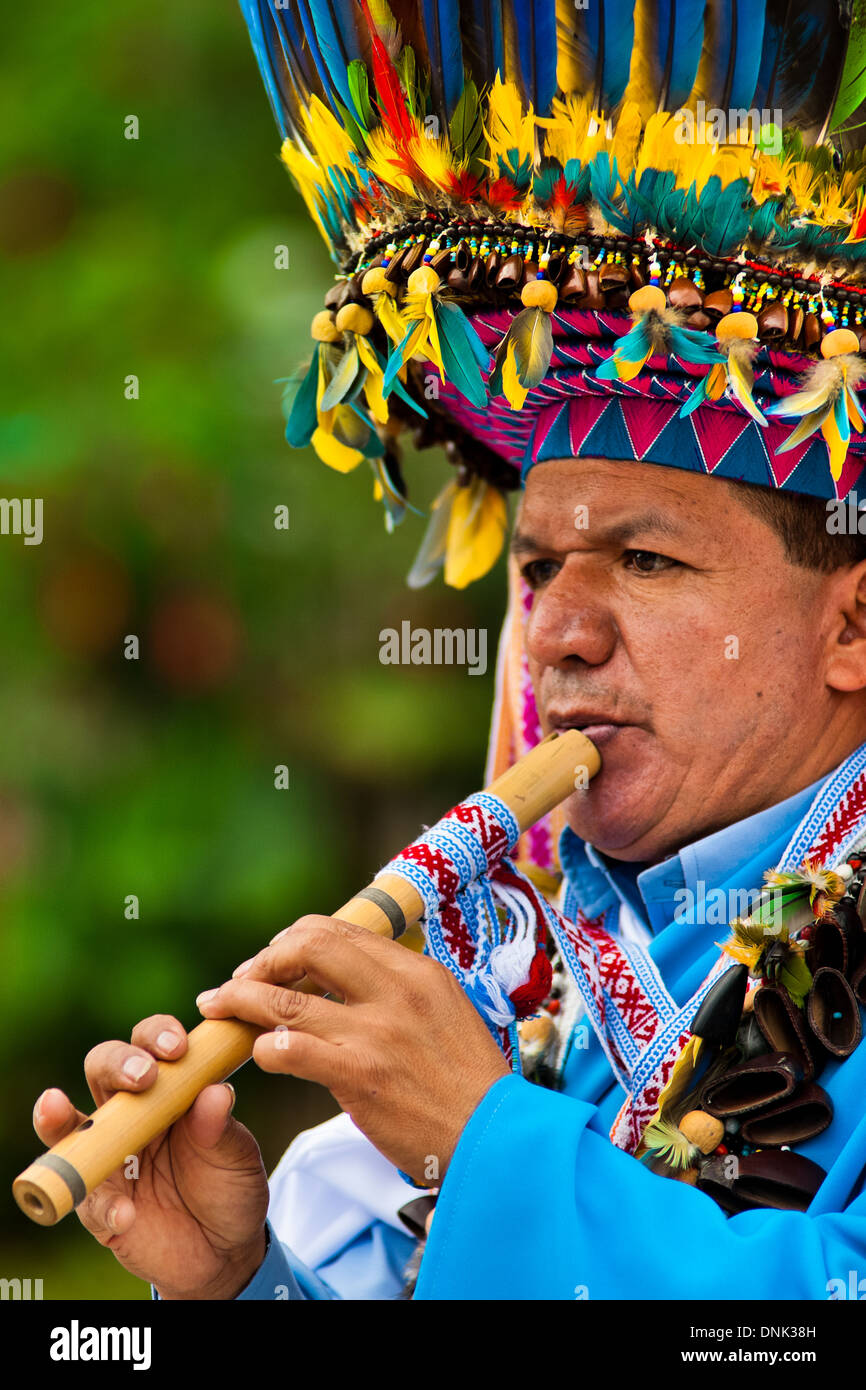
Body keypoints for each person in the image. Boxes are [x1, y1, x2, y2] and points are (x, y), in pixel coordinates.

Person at [30, 1, 866, 1298]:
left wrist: (484, 1143)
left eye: (644, 561)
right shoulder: (524, 974)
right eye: (534, 569)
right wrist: (239, 1283)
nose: (558, 635)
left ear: (851, 625)